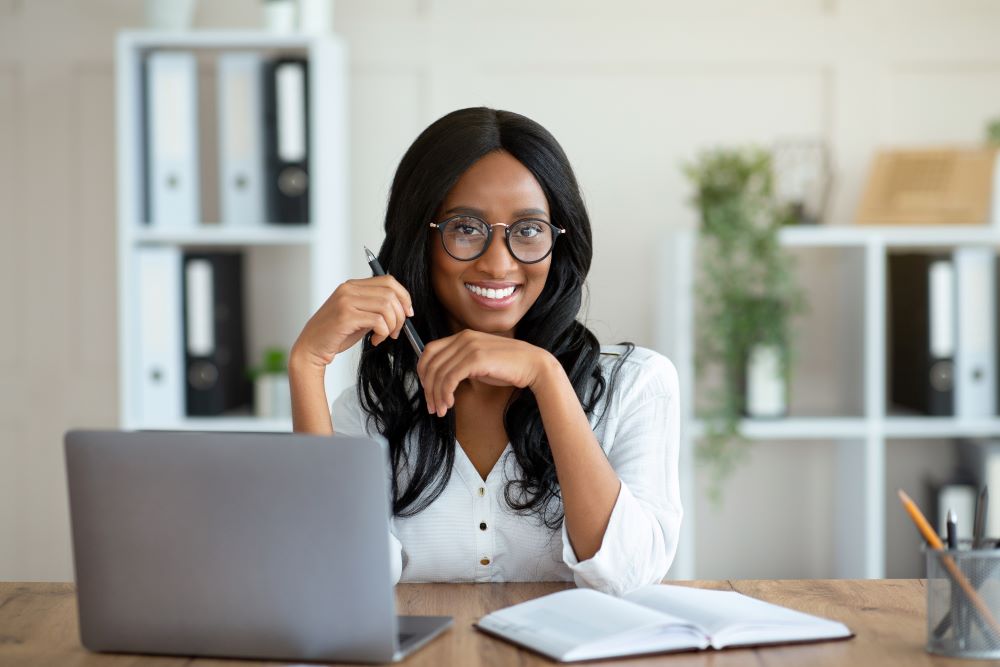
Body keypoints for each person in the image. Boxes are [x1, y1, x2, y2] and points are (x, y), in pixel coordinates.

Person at [289, 107, 681, 596]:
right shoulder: (372, 413)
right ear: (420, 239)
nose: (498, 264)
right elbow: (339, 579)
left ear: (559, 241)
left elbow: (629, 575)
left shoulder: (639, 383)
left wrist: (546, 376)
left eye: (530, 230)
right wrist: (307, 366)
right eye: (466, 228)